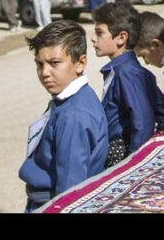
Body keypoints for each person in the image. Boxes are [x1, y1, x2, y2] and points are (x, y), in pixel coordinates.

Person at [20, 20, 108, 212]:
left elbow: (69, 190)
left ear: (80, 63)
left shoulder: (74, 115)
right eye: (39, 64)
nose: (45, 73)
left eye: (54, 63)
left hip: (50, 203)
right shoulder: (69, 100)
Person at [91, 2, 164, 167]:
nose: (93, 38)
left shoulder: (126, 73)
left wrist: (133, 164)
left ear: (121, 38)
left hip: (121, 155)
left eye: (99, 33)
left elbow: (143, 123)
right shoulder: (123, 69)